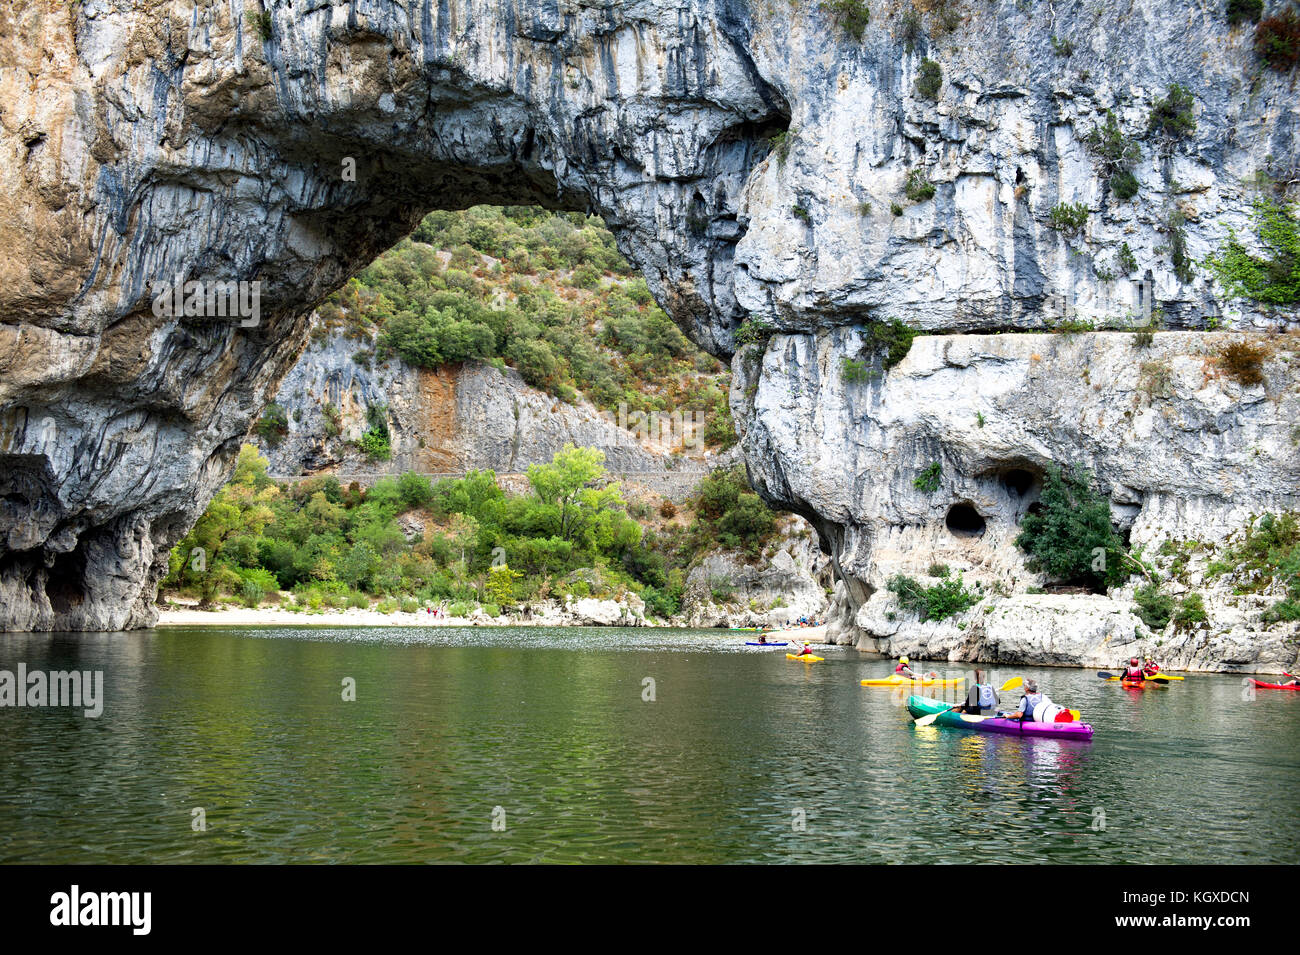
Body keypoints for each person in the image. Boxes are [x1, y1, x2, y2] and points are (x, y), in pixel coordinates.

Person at [1004, 679, 1072, 722]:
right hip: (1039, 720)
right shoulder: (1043, 696)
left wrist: (1008, 716)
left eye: (1024, 686)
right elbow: (1051, 709)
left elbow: (1019, 715)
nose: (1024, 687)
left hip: (1029, 721)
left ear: (1027, 688)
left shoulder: (1025, 699)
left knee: (1010, 716)